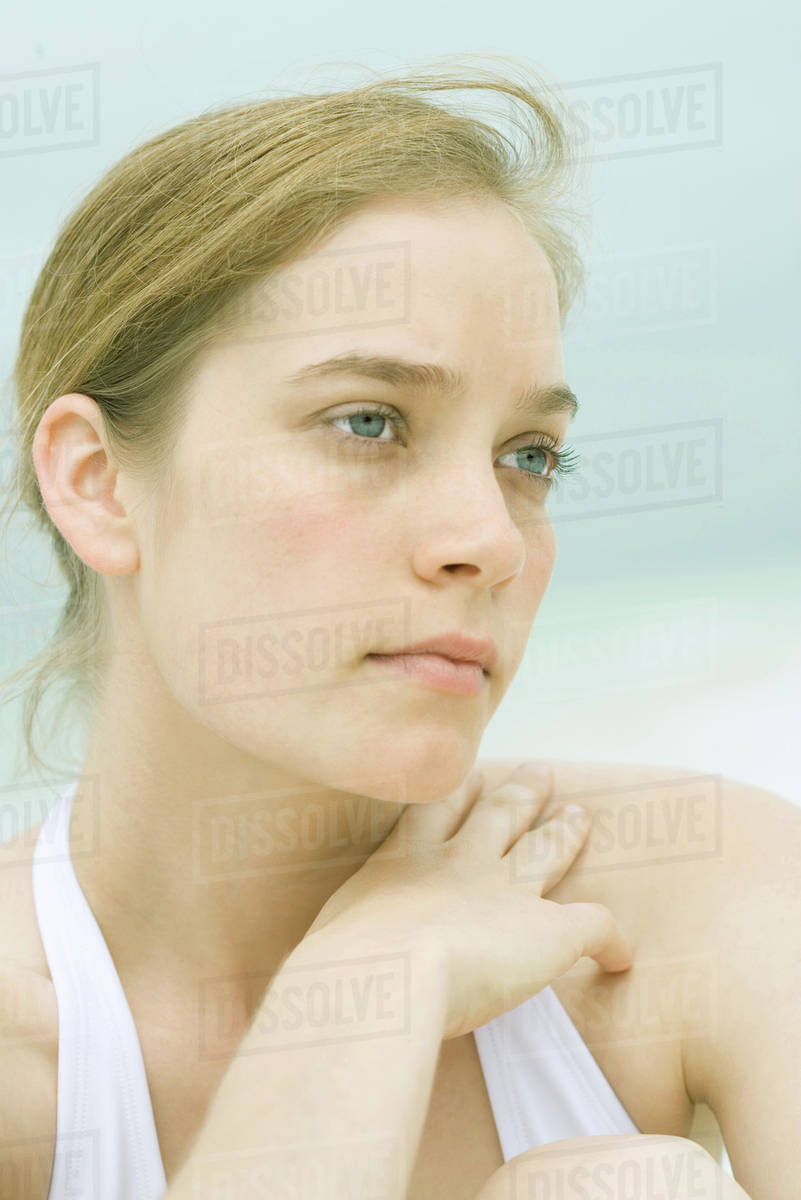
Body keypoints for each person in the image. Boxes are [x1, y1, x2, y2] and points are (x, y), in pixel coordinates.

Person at [0, 56, 792, 1199]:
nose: (491, 538)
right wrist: (363, 988)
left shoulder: (697, 900)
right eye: (368, 422)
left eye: (529, 458)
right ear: (99, 485)